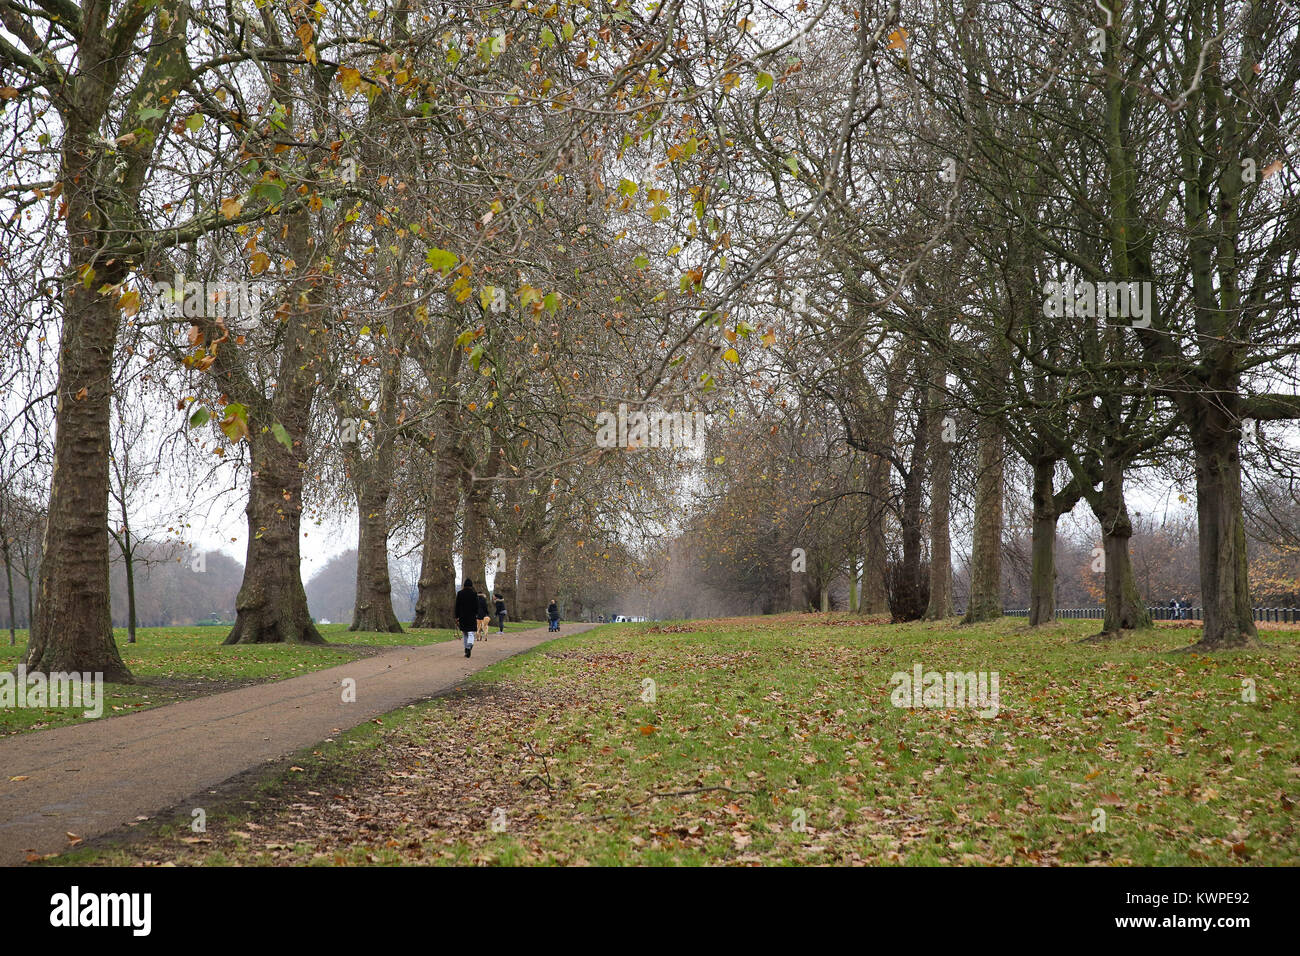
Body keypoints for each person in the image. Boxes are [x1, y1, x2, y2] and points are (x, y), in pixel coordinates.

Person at [455, 579, 479, 657]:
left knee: (465, 633)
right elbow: (476, 606)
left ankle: (466, 648)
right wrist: (477, 614)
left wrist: (456, 616)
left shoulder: (460, 593)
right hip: (471, 616)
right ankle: (469, 646)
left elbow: (457, 606)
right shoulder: (474, 594)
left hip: (462, 616)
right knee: (471, 633)